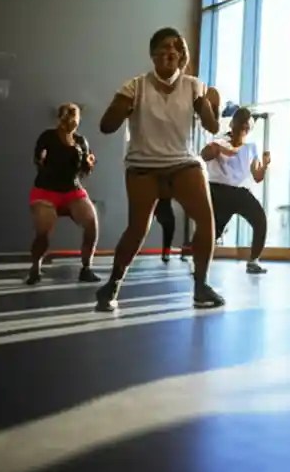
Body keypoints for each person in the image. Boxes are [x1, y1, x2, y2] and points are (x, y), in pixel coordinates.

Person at [93, 27, 226, 312]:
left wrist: (206, 103)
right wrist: (122, 106)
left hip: (183, 162)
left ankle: (201, 286)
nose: (169, 51)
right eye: (164, 47)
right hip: (144, 165)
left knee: (206, 221)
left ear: (180, 56)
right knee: (138, 228)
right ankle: (114, 283)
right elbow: (106, 126)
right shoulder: (135, 86)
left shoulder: (194, 86)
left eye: (175, 48)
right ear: (153, 55)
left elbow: (212, 127)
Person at [26, 103, 101, 285]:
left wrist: (89, 164)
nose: (71, 120)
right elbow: (38, 160)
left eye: (75, 116)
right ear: (60, 118)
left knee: (91, 224)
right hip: (46, 191)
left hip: (72, 191)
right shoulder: (48, 137)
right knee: (43, 233)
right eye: (67, 116)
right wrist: (41, 159)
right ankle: (35, 267)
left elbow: (84, 170)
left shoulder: (81, 141)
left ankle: (86, 268)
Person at [201, 107, 271, 274]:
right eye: (240, 125)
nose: (243, 130)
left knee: (260, 221)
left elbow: (257, 176)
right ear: (232, 124)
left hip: (240, 192)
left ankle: (253, 261)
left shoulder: (251, 147)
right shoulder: (220, 141)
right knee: (213, 232)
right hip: (219, 190)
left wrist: (265, 165)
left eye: (246, 127)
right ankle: (199, 263)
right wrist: (219, 149)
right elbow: (204, 155)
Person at [154, 197, 177, 263]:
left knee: (167, 237)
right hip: (166, 214)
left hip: (162, 213)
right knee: (168, 237)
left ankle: (166, 254)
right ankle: (166, 254)